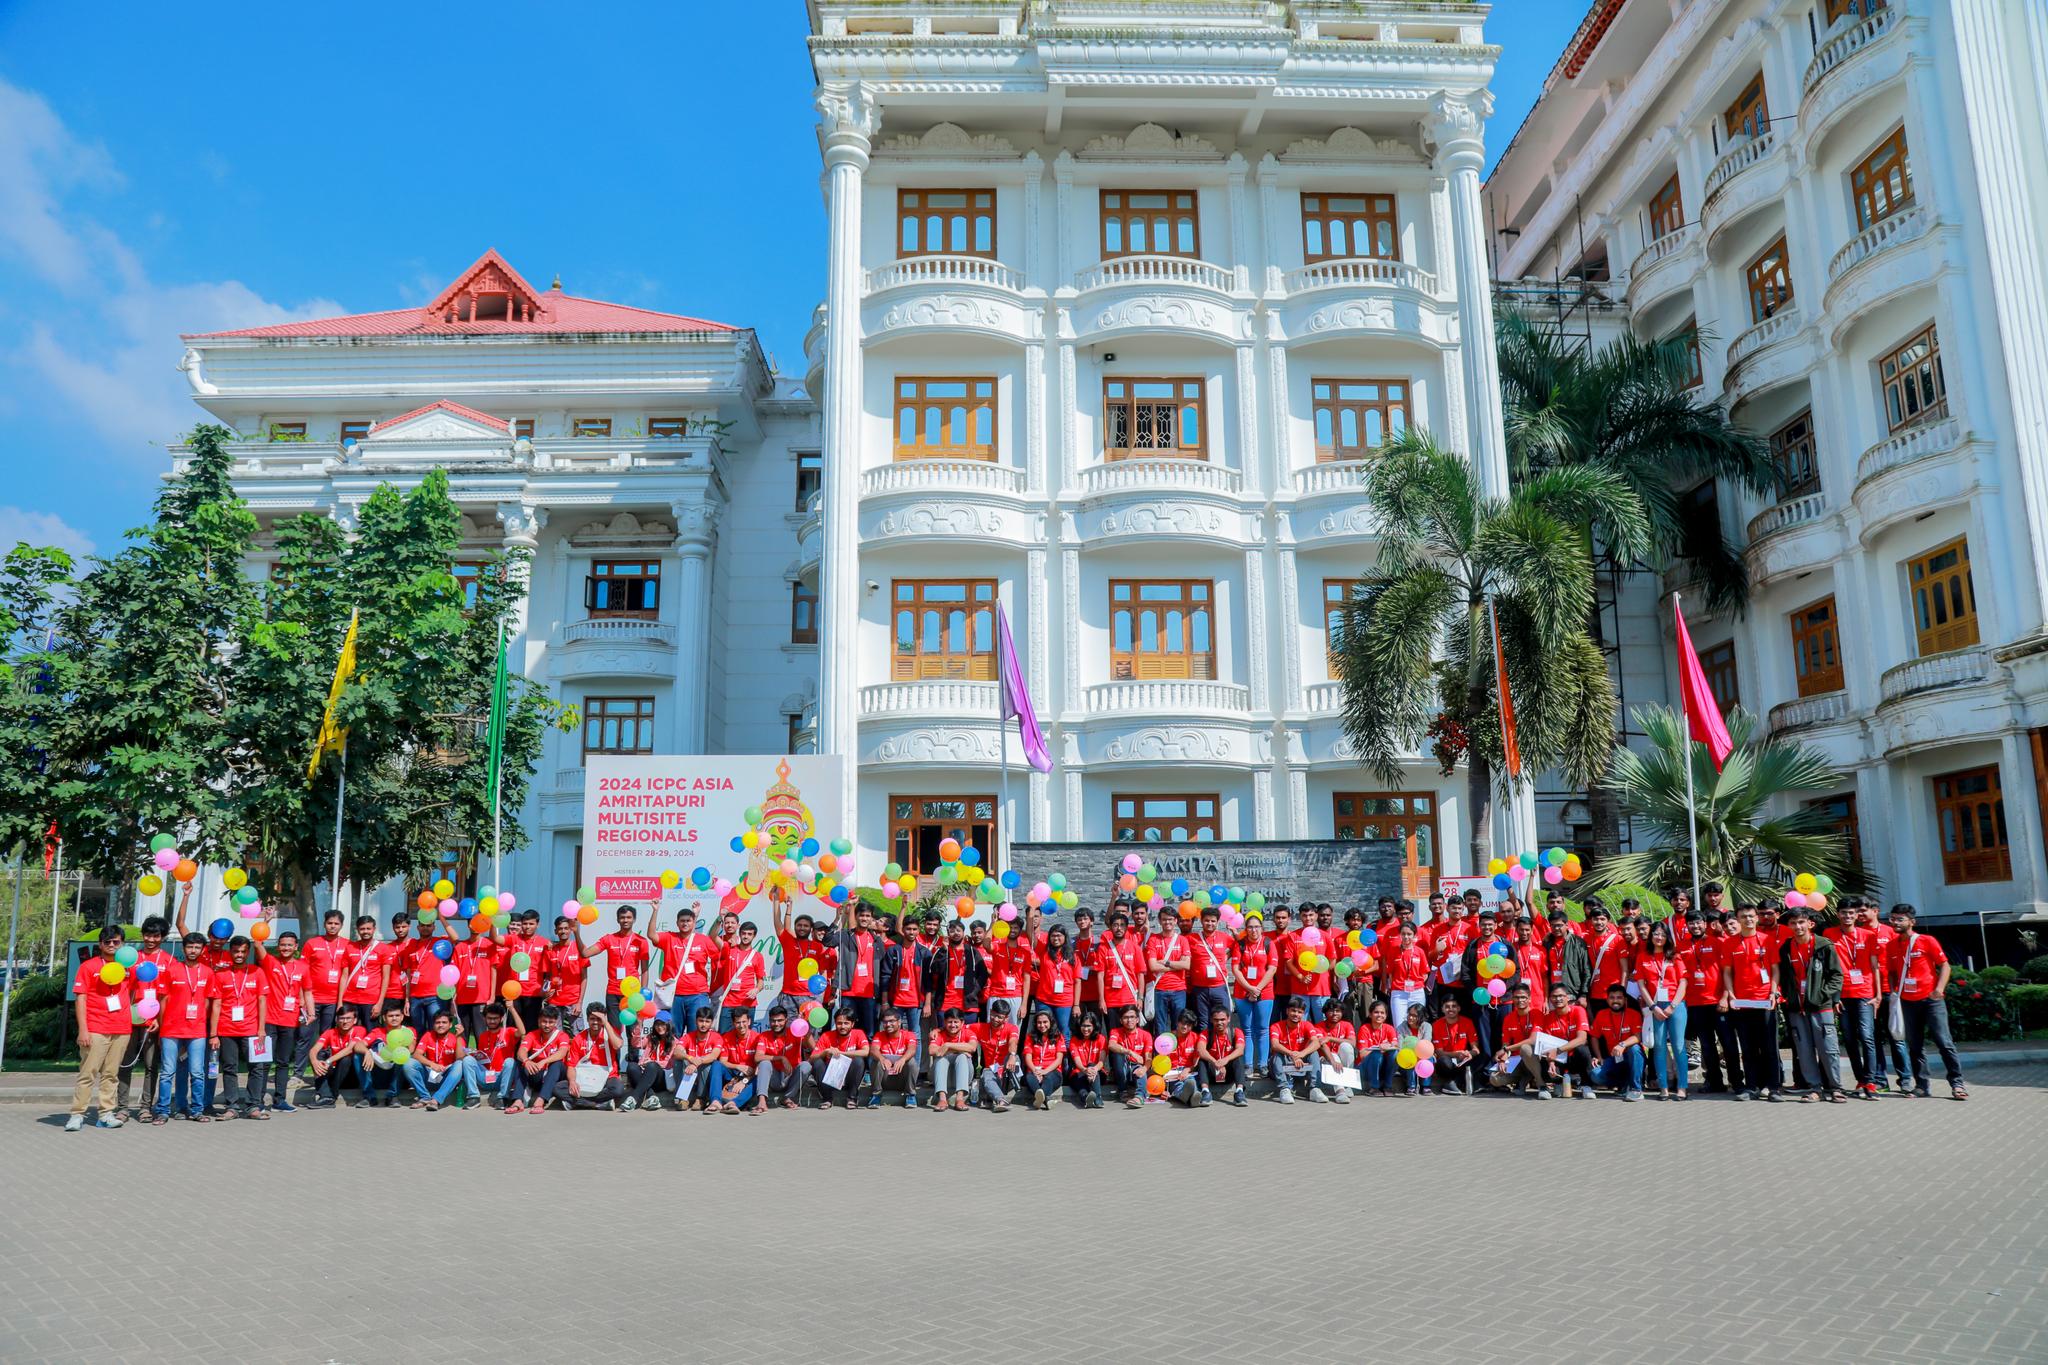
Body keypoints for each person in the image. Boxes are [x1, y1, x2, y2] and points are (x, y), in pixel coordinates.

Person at [1885, 905, 1967, 1100]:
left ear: (1912, 922)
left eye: (1900, 919)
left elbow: (1944, 965)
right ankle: (1921, 1086)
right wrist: (1895, 991)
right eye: (1893, 918)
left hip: (1931, 1000)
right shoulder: (1891, 945)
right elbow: (1892, 971)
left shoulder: (1927, 940)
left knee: (1944, 1042)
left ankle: (1957, 1084)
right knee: (1915, 1046)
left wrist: (1939, 989)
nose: (1895, 922)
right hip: (1907, 1002)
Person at [1776, 905, 1847, 1103]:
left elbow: (1836, 976)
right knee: (1804, 1051)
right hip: (1796, 1008)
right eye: (1793, 923)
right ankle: (1814, 1088)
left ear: (1810, 924)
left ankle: (1836, 1088)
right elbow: (1783, 977)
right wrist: (1787, 996)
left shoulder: (1824, 945)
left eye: (1801, 922)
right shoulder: (1785, 948)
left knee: (1828, 1049)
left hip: (1820, 1007)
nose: (1797, 926)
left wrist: (1822, 995)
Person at [68, 926, 135, 1132]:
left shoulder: (128, 967)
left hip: (121, 1028)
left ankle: (106, 1114)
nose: (112, 945)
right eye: (107, 942)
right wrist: (83, 1029)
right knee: (88, 1073)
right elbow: (80, 998)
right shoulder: (88, 966)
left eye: (116, 941)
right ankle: (77, 1114)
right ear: (100, 944)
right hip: (96, 1027)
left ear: (122, 944)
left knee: (111, 1074)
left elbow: (133, 993)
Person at [1719, 906, 1781, 1102]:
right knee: (1748, 1047)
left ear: (1756, 918)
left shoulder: (1767, 940)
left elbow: (1775, 970)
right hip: (1742, 1002)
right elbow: (1727, 972)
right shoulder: (1729, 943)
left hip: (1765, 1000)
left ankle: (1773, 1087)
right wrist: (1731, 995)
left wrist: (1773, 993)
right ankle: (1751, 1086)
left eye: (1751, 916)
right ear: (1738, 919)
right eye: (1743, 917)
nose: (1748, 920)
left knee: (1770, 1047)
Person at [116, 916, 175, 1120]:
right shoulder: (131, 958)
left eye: (156, 936)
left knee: (151, 1065)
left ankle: (145, 1107)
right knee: (126, 1063)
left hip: (154, 1021)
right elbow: (122, 987)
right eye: (148, 935)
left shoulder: (169, 961)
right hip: (130, 1018)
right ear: (143, 935)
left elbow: (168, 996)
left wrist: (160, 1019)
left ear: (163, 937)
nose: (151, 939)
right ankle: (122, 1107)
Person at [252, 925, 313, 1112]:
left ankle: (280, 1100)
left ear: (296, 947)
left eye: (289, 945)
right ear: (278, 946)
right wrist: (265, 922)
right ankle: (258, 1101)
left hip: (290, 1021)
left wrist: (311, 1013)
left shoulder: (303, 967)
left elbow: (307, 992)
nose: (286, 948)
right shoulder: (270, 962)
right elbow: (257, 944)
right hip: (268, 1021)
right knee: (263, 1062)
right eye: (283, 945)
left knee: (283, 1062)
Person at [209, 935, 270, 1120]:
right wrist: (213, 1034)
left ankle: (253, 1106)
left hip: (252, 1030)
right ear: (231, 952)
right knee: (229, 1068)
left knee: (256, 1067)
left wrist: (261, 1029)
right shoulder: (221, 975)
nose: (240, 955)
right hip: (227, 1030)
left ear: (248, 952)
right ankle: (232, 1107)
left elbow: (262, 1001)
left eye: (243, 951)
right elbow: (216, 1005)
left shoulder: (257, 972)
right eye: (236, 951)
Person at [1636, 920, 1688, 1100]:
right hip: (1655, 1006)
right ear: (1651, 936)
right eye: (1656, 934)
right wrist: (1653, 1006)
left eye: (1663, 935)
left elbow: (1683, 983)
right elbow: (1641, 985)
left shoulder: (1675, 956)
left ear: (1668, 938)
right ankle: (1663, 1087)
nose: (1659, 937)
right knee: (1658, 1046)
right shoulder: (1643, 956)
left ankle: (1682, 1087)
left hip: (1676, 1005)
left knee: (1678, 1045)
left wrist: (1673, 1006)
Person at [1534, 982, 1594, 1100]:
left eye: (1561, 996)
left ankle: (1586, 1085)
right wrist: (1551, 1063)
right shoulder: (1547, 1018)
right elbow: (1547, 1047)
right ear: (1550, 999)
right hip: (1558, 1059)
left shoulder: (1578, 1010)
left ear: (1568, 997)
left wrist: (1558, 1050)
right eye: (1554, 996)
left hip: (1573, 1057)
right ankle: (1558, 1082)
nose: (1558, 999)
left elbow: (1582, 1039)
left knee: (1583, 1050)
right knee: (1546, 1070)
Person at [305, 1005, 368, 1111]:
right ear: (336, 1020)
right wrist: (314, 1061)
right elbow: (313, 1050)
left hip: (351, 1077)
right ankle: (326, 1096)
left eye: (348, 1018)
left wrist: (328, 1061)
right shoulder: (330, 1032)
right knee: (317, 1056)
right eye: (341, 1018)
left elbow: (349, 1049)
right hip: (335, 1074)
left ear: (355, 1020)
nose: (345, 1021)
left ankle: (331, 1096)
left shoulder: (360, 1030)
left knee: (346, 1059)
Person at [1588, 984, 1645, 1100]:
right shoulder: (1601, 1014)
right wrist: (1599, 1056)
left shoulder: (1634, 1014)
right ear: (1607, 1000)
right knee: (1595, 1075)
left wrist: (1622, 1044)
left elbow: (1638, 1036)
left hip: (1631, 1057)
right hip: (1614, 1059)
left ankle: (1636, 1090)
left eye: (1619, 998)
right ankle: (1623, 1084)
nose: (1615, 1001)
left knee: (1634, 1049)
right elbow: (1594, 1037)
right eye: (1612, 997)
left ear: (1625, 1000)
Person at [510, 1005, 571, 1114]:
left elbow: (562, 1053)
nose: (547, 1025)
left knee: (556, 1063)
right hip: (538, 1074)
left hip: (555, 1077)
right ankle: (517, 1100)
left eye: (551, 1022)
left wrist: (544, 1061)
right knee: (521, 1062)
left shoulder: (562, 1035)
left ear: (556, 1022)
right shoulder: (532, 1035)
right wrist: (526, 1061)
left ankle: (541, 1100)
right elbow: (521, 1051)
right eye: (544, 1021)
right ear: (539, 1021)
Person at [403, 1010, 467, 1110]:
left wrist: (458, 1036)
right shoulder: (428, 1035)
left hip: (446, 1078)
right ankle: (424, 1097)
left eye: (444, 1022)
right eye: (438, 1022)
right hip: (429, 1075)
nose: (440, 1025)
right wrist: (432, 1064)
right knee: (408, 1063)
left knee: (459, 1064)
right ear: (433, 1024)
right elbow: (416, 1054)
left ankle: (436, 1100)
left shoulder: (457, 1038)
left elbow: (460, 1057)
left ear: (450, 1025)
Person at [809, 1006, 870, 1109]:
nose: (842, 1026)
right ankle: (827, 1099)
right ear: (835, 1023)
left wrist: (841, 1053)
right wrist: (825, 1052)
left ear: (852, 1024)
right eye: (839, 1023)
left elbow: (865, 1052)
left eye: (846, 1023)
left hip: (850, 1077)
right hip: (831, 1078)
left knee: (859, 1061)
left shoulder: (858, 1033)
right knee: (817, 1062)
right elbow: (812, 1058)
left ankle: (852, 1099)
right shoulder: (826, 1035)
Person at [465, 1003, 523, 1110]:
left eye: (495, 1018)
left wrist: (511, 1008)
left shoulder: (509, 1032)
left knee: (510, 1061)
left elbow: (522, 1031)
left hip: (501, 1077)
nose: (492, 1021)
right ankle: (473, 1097)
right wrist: (474, 1055)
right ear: (484, 1019)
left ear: (501, 1018)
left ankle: (502, 1098)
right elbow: (483, 1060)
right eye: (489, 1018)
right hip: (485, 1076)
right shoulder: (482, 1036)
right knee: (468, 1060)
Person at [1268, 997, 1324, 1104]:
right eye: (1293, 1011)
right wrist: (1292, 1055)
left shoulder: (1307, 1025)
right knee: (1277, 1055)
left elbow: (1316, 1042)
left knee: (1314, 1053)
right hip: (1283, 1061)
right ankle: (1284, 1089)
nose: (1296, 1014)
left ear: (1303, 1014)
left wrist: (1301, 1054)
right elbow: (1275, 1045)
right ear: (1287, 1011)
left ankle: (1314, 1088)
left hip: (1301, 1062)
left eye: (1300, 1012)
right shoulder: (1276, 1026)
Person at [674, 1007, 727, 1112]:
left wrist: (696, 1063)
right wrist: (690, 1058)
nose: (703, 1024)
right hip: (690, 1073)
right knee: (679, 1061)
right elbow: (676, 1052)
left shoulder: (716, 1037)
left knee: (709, 1064)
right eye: (701, 1021)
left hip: (705, 1074)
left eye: (707, 1021)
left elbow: (714, 1055)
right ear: (696, 1021)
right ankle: (683, 1098)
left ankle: (701, 1098)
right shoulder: (688, 1036)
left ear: (711, 1023)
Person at [1146, 912, 1191, 1037]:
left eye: (1170, 919)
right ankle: (1161, 1049)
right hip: (1159, 989)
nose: (1167, 922)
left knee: (1179, 1026)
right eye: (1164, 919)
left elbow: (1186, 965)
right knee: (1160, 1026)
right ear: (1160, 921)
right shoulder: (1153, 939)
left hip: (1179, 990)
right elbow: (1153, 966)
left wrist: (1166, 962)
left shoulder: (1182, 940)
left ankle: (1177, 1049)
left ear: (1175, 921)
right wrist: (1176, 965)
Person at [1029, 924, 1080, 1035]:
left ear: (1065, 937)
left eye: (1058, 935)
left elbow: (1077, 982)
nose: (1055, 938)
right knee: (1043, 1030)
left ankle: (1064, 1048)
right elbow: (1031, 937)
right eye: (1053, 936)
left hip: (1064, 1001)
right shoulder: (1044, 951)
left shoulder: (1073, 956)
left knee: (1064, 1030)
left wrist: (1076, 1005)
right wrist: (1030, 916)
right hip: (1044, 1000)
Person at [927, 1008, 979, 1112]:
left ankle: (959, 1099)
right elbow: (932, 1050)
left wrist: (947, 1046)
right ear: (944, 1022)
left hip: (962, 1078)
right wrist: (960, 1049)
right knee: (941, 1058)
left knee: (962, 1057)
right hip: (941, 1078)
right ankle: (942, 1099)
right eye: (950, 1022)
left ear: (962, 1023)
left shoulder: (969, 1033)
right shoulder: (938, 1033)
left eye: (956, 1022)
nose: (953, 1025)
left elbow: (972, 1047)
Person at [622, 1017, 677, 1111]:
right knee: (632, 1066)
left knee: (652, 1066)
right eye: (657, 1024)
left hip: (662, 1078)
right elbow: (636, 1044)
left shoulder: (674, 1041)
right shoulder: (651, 1037)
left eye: (662, 1024)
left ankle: (633, 1098)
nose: (659, 1027)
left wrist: (652, 1062)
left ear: (669, 1025)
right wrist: (639, 1025)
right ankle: (652, 1097)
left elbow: (669, 1064)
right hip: (646, 1075)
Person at [975, 998, 1020, 1112]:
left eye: (999, 1017)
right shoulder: (981, 1027)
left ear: (1006, 1018)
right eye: (993, 1015)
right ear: (990, 1012)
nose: (995, 1019)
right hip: (992, 1071)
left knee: (1016, 1059)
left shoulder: (1012, 1028)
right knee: (986, 1073)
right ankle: (1001, 1101)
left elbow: (1013, 1042)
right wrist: (938, 1030)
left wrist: (1012, 1055)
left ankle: (988, 1096)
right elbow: (959, 1027)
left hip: (1008, 1069)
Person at [870, 1008, 919, 1108]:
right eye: (885, 1022)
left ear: (899, 1022)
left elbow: (912, 1049)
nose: (888, 1024)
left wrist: (902, 1059)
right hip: (885, 1078)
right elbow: (873, 1050)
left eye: (891, 1021)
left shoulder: (909, 1035)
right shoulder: (879, 1035)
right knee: (876, 1061)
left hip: (902, 1079)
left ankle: (910, 1095)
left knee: (912, 1062)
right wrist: (882, 1059)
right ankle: (876, 1095)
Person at [1432, 994, 1480, 1096]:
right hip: (1447, 1060)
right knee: (1444, 1062)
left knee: (1477, 1060)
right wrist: (1456, 1054)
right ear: (1442, 1009)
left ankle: (1453, 1083)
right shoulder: (1436, 1025)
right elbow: (1439, 1052)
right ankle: (1452, 1082)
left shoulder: (1468, 1022)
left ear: (1459, 1008)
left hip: (1462, 1059)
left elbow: (1476, 1049)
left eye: (1454, 1006)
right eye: (1447, 1007)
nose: (1450, 1009)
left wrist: (1470, 1054)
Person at [1018, 1009, 1065, 1109]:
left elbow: (1059, 1060)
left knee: (1048, 1078)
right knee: (1029, 1077)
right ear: (1035, 1024)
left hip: (1053, 1071)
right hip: (1034, 1070)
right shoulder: (1030, 1037)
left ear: (1051, 1022)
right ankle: (1046, 1099)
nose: (1042, 1025)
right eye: (1039, 1022)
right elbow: (1028, 1058)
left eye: (1045, 1022)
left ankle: (1040, 1097)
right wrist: (1035, 1071)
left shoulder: (1058, 1036)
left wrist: (1044, 1072)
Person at [1105, 1004, 1149, 1108]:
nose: (1129, 1020)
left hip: (1136, 1066)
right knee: (1118, 1054)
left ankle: (1139, 1097)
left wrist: (1144, 1068)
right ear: (1121, 1020)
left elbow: (1148, 1058)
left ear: (1137, 1019)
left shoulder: (1145, 1035)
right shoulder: (1115, 1031)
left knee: (1141, 1070)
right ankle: (1123, 1091)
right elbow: (1111, 1045)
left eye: (1132, 1017)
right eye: (1126, 1017)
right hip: (1122, 1067)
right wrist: (1130, 1052)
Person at [1065, 1010, 1107, 1109]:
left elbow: (1101, 1061)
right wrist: (1085, 1070)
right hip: (1080, 1072)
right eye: (1083, 1026)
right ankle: (1085, 1098)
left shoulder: (1101, 1038)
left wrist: (1094, 1069)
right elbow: (1077, 1062)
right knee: (1079, 1083)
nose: (1085, 1029)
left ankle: (1098, 1098)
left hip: (1098, 1072)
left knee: (1092, 1065)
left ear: (1094, 1026)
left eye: (1089, 1026)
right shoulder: (1074, 1040)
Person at [1395, 1002, 1432, 1096]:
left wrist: (1419, 1054)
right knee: (1410, 1058)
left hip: (1423, 1054)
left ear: (1421, 1017)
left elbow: (1426, 1043)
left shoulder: (1427, 1026)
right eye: (1409, 1014)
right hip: (1407, 1057)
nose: (1410, 1017)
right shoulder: (1401, 1027)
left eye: (1414, 1016)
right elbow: (1400, 1046)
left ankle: (1426, 1086)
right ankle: (1411, 1086)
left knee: (1430, 1058)